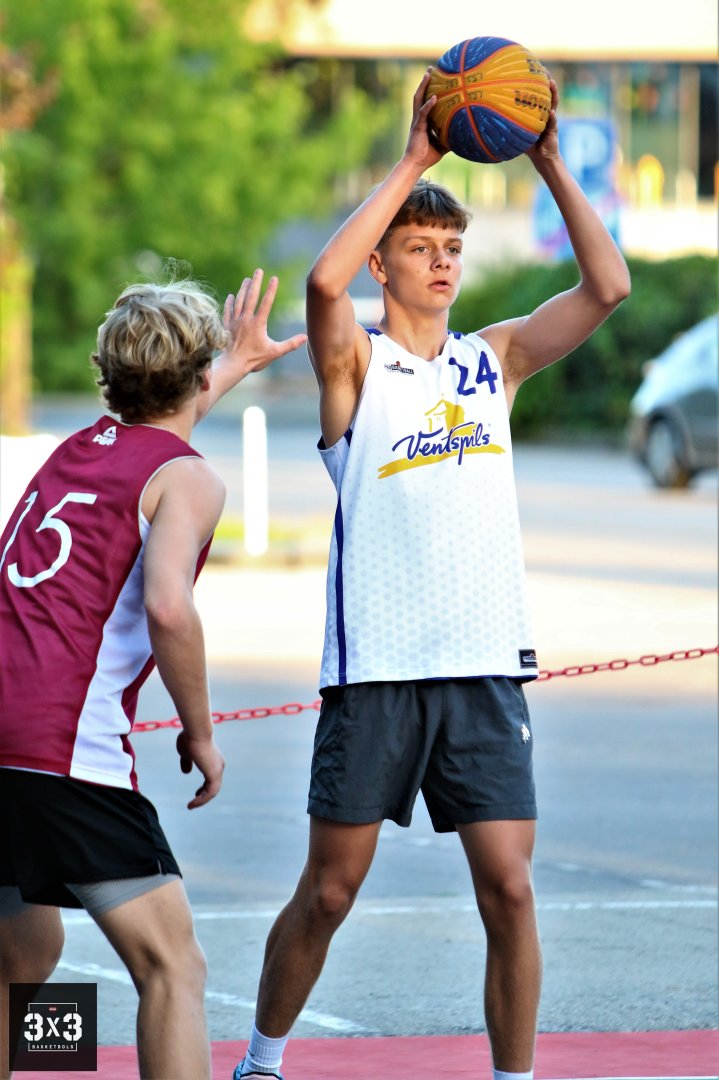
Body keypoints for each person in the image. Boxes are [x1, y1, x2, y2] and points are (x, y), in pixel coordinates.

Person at [233, 71, 630, 1080]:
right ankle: (261, 1063)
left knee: (509, 889)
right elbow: (321, 286)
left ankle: (512, 1077)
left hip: (484, 668)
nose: (443, 263)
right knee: (330, 889)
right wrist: (415, 155)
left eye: (452, 248)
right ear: (384, 262)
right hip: (376, 673)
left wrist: (543, 158)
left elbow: (606, 289)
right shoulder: (355, 368)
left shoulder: (489, 362)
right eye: (421, 247)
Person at [0, 270, 306, 1080]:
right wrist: (202, 736)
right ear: (199, 374)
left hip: (4, 734)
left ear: (111, 374)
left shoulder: (75, 450)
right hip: (62, 744)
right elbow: (170, 608)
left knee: (26, 951)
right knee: (173, 968)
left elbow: (155, 433)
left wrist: (226, 366)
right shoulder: (191, 479)